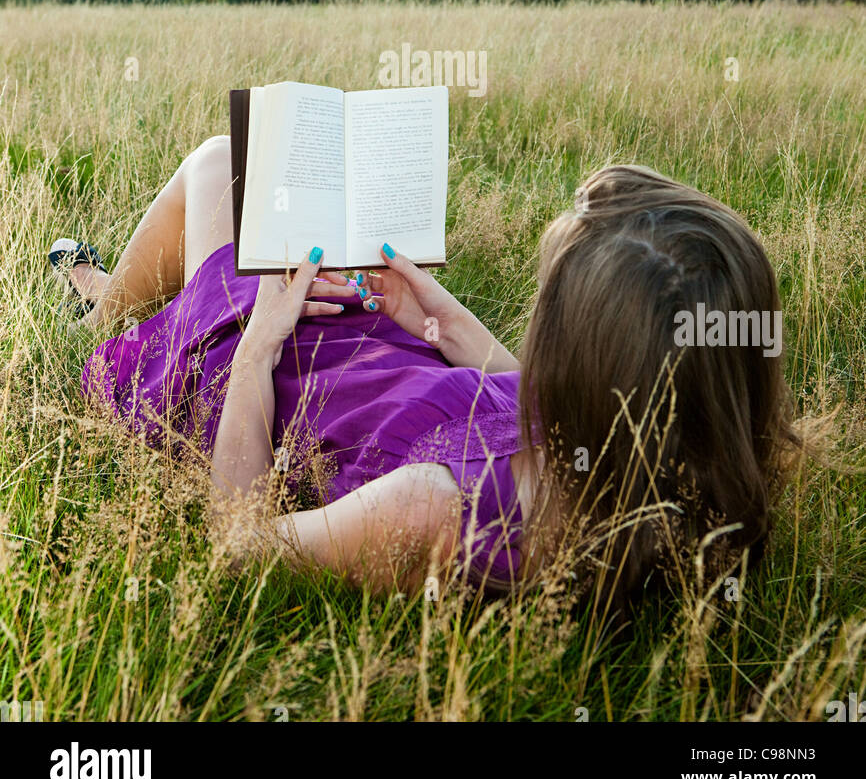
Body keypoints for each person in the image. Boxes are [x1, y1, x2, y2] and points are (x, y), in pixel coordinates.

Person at [51, 136, 802, 612]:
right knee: (238, 204)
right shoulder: (675, 475)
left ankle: (99, 302)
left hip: (274, 383)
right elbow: (540, 407)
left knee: (219, 165)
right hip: (389, 360)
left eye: (547, 298)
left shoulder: (432, 509)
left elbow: (240, 541)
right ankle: (109, 286)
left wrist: (256, 349)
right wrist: (442, 323)